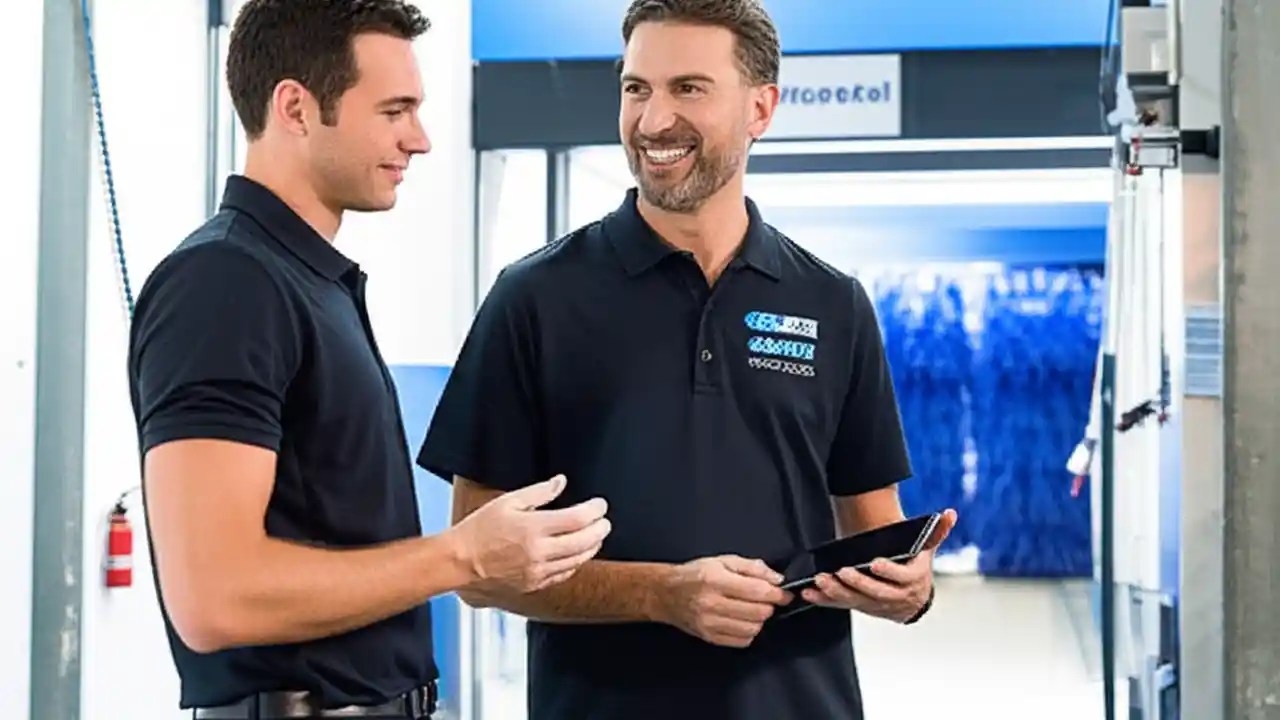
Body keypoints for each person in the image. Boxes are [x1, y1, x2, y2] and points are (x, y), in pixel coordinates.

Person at [416, 1, 959, 719]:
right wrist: (659, 594)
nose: (651, 120)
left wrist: (909, 589)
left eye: (688, 89)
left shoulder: (834, 304)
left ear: (761, 108)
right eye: (636, 88)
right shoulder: (535, 299)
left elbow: (871, 530)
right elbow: (477, 572)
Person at [126, 1, 611, 718]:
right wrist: (464, 555)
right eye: (395, 110)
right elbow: (214, 597)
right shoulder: (226, 283)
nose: (419, 139)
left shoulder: (306, 282)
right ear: (295, 106)